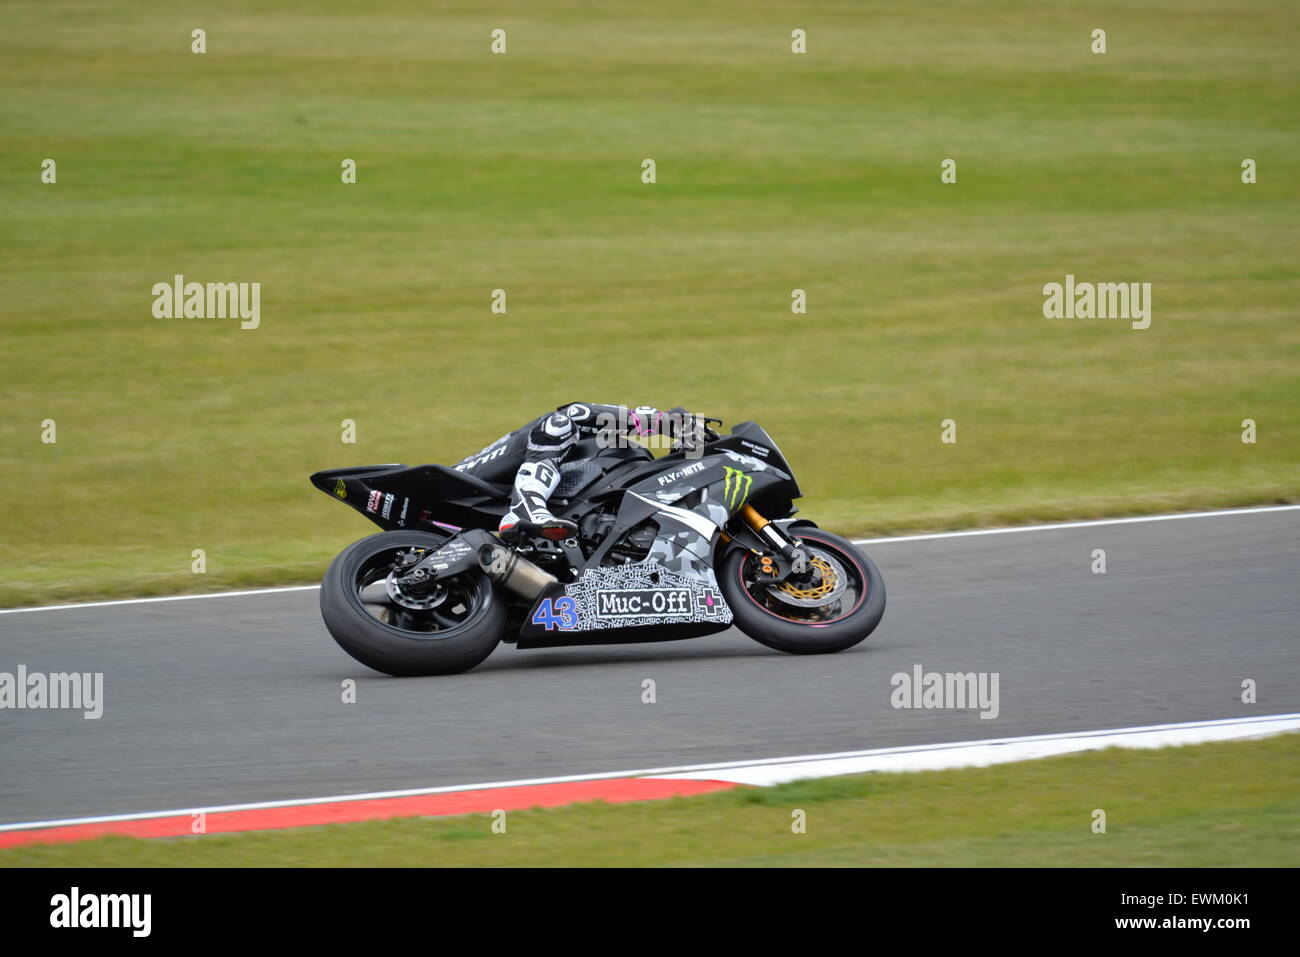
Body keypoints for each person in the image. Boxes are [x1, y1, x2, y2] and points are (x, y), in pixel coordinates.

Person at [452, 403, 697, 537]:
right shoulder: (569, 432)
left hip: (487, 494)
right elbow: (576, 412)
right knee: (558, 424)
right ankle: (523, 510)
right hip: (459, 480)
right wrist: (658, 421)